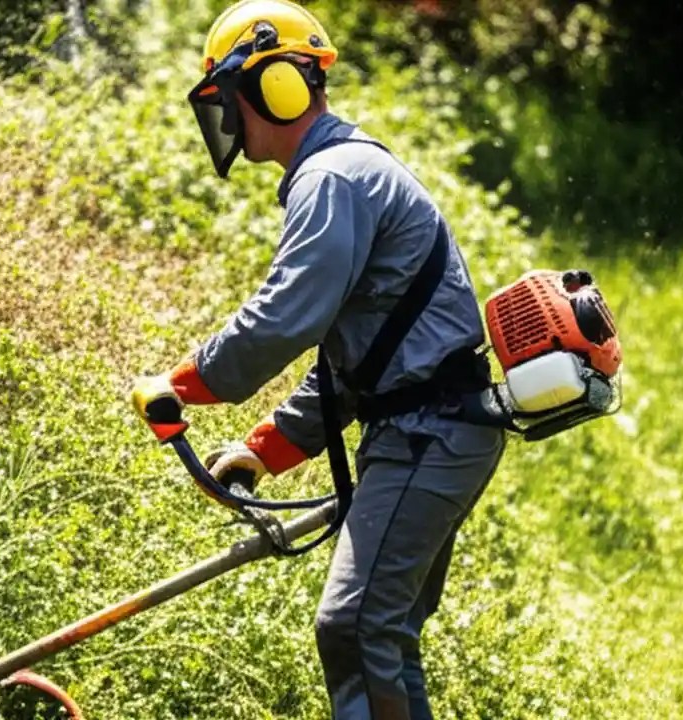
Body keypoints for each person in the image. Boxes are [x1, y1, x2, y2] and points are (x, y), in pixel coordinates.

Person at [129, 1, 506, 718]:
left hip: (430, 432)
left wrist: (181, 385)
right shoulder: (343, 169)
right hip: (426, 431)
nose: (230, 119)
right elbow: (354, 361)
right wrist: (268, 449)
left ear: (276, 87)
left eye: (231, 97)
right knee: (379, 637)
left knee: (357, 626)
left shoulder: (332, 177)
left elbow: (284, 318)